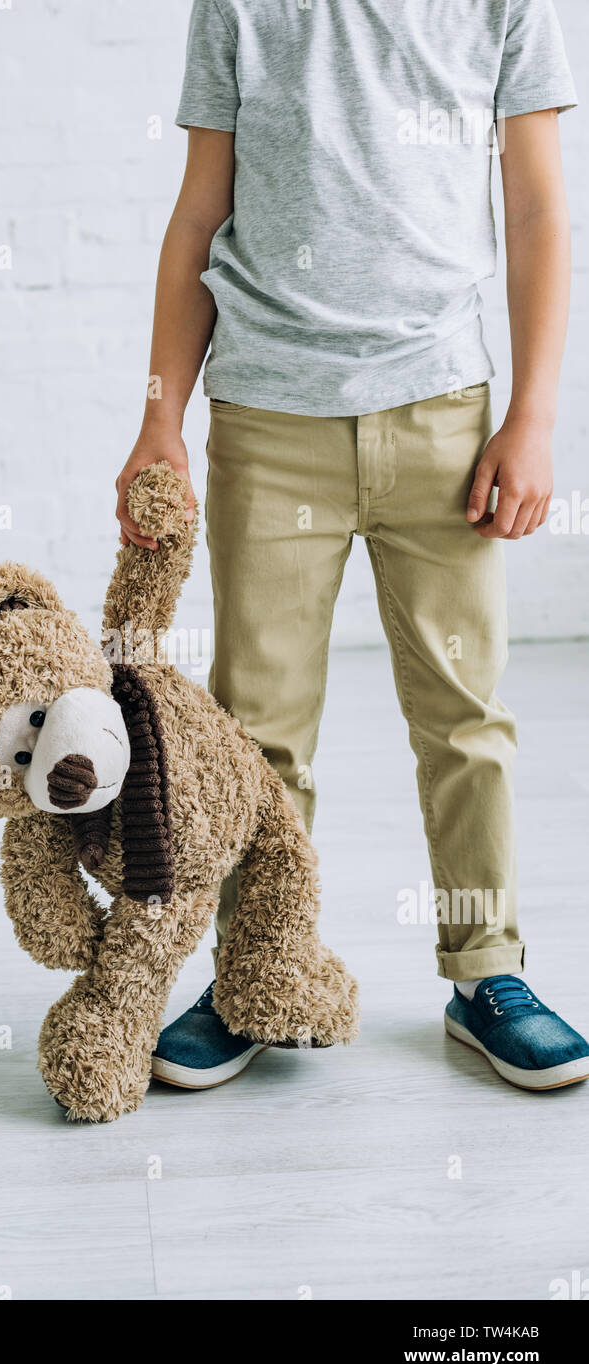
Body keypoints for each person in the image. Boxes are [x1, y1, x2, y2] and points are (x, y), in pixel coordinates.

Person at [115, 0, 589, 1092]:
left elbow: (537, 208)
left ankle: (487, 975)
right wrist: (158, 419)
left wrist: (534, 416)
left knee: (466, 718)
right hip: (268, 424)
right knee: (258, 730)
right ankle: (252, 970)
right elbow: (198, 217)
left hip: (442, 414)